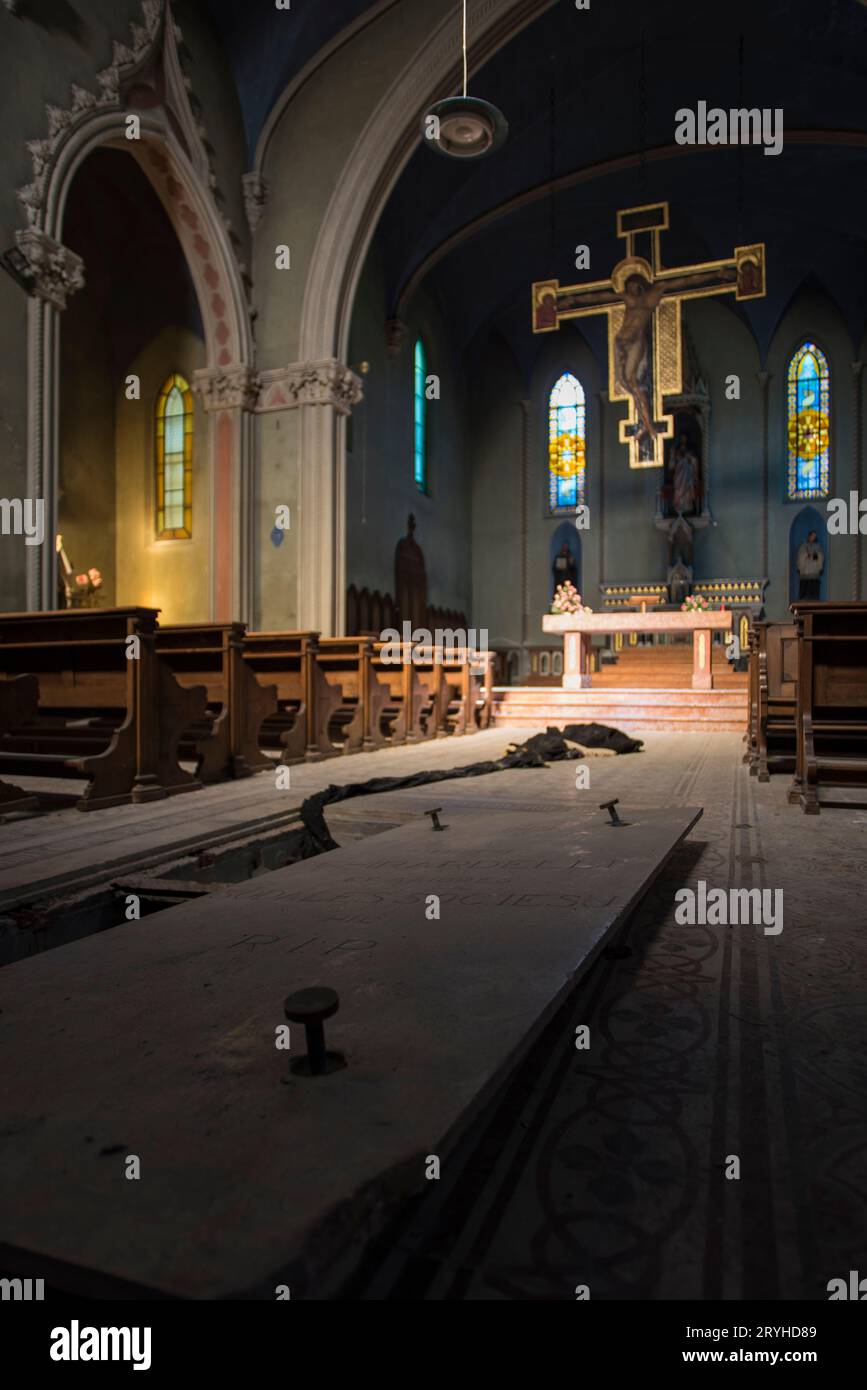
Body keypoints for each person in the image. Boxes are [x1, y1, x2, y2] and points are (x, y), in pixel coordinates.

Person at [796, 530, 824, 600]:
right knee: (804, 591)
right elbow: (800, 556)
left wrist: (815, 555)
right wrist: (807, 555)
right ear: (809, 536)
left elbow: (820, 556)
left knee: (814, 592)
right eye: (812, 536)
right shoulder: (803, 546)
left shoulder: (817, 546)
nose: (813, 538)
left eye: (814, 537)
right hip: (805, 572)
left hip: (814, 572)